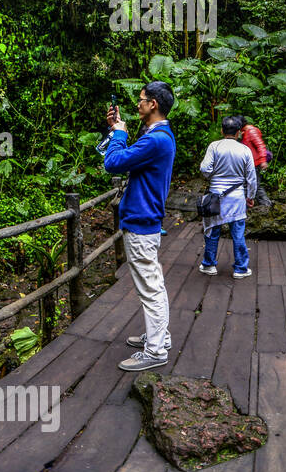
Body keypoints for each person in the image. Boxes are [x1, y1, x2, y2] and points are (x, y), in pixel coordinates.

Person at [98, 82, 180, 371]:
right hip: (145, 219)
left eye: (141, 100)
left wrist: (119, 135)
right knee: (152, 283)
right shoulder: (156, 136)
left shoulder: (156, 140)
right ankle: (161, 337)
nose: (137, 104)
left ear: (154, 103)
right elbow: (124, 155)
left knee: (151, 287)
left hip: (142, 221)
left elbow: (115, 163)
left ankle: (156, 351)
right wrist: (115, 130)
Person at [198, 116, 262, 278]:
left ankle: (209, 264)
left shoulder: (214, 146)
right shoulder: (244, 150)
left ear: (222, 130)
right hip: (237, 198)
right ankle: (240, 268)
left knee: (213, 231)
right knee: (238, 233)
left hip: (216, 197)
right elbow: (251, 178)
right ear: (239, 133)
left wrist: (214, 175)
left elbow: (204, 169)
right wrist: (251, 196)